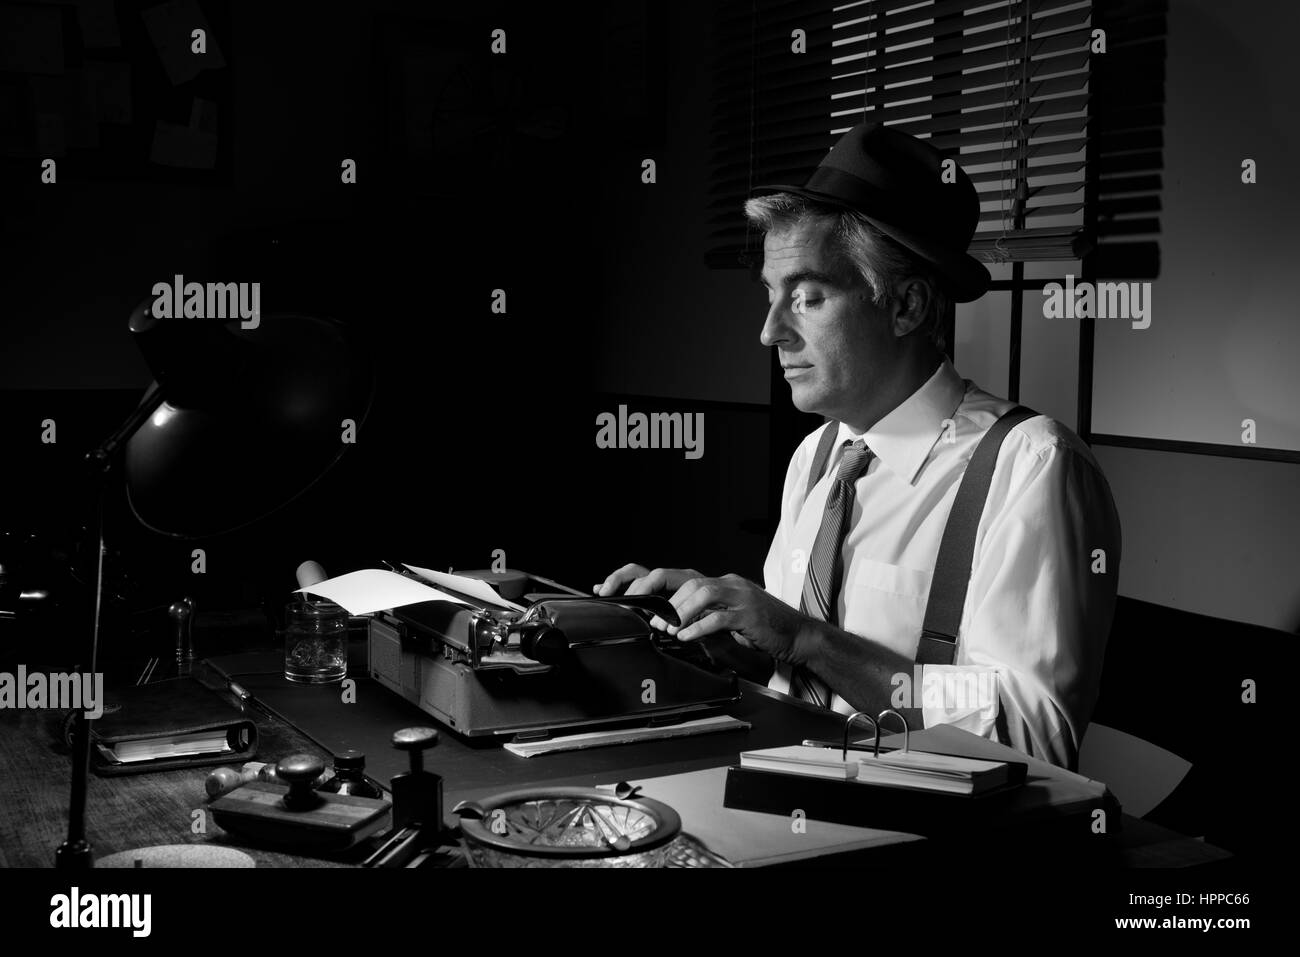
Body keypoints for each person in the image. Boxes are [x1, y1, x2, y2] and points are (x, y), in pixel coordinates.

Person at [597, 123, 1121, 770]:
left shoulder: (1031, 466)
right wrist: (722, 634)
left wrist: (811, 639)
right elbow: (795, 678)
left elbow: (1030, 735)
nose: (769, 332)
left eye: (808, 298)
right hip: (784, 804)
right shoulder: (815, 457)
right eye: (770, 294)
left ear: (905, 304)